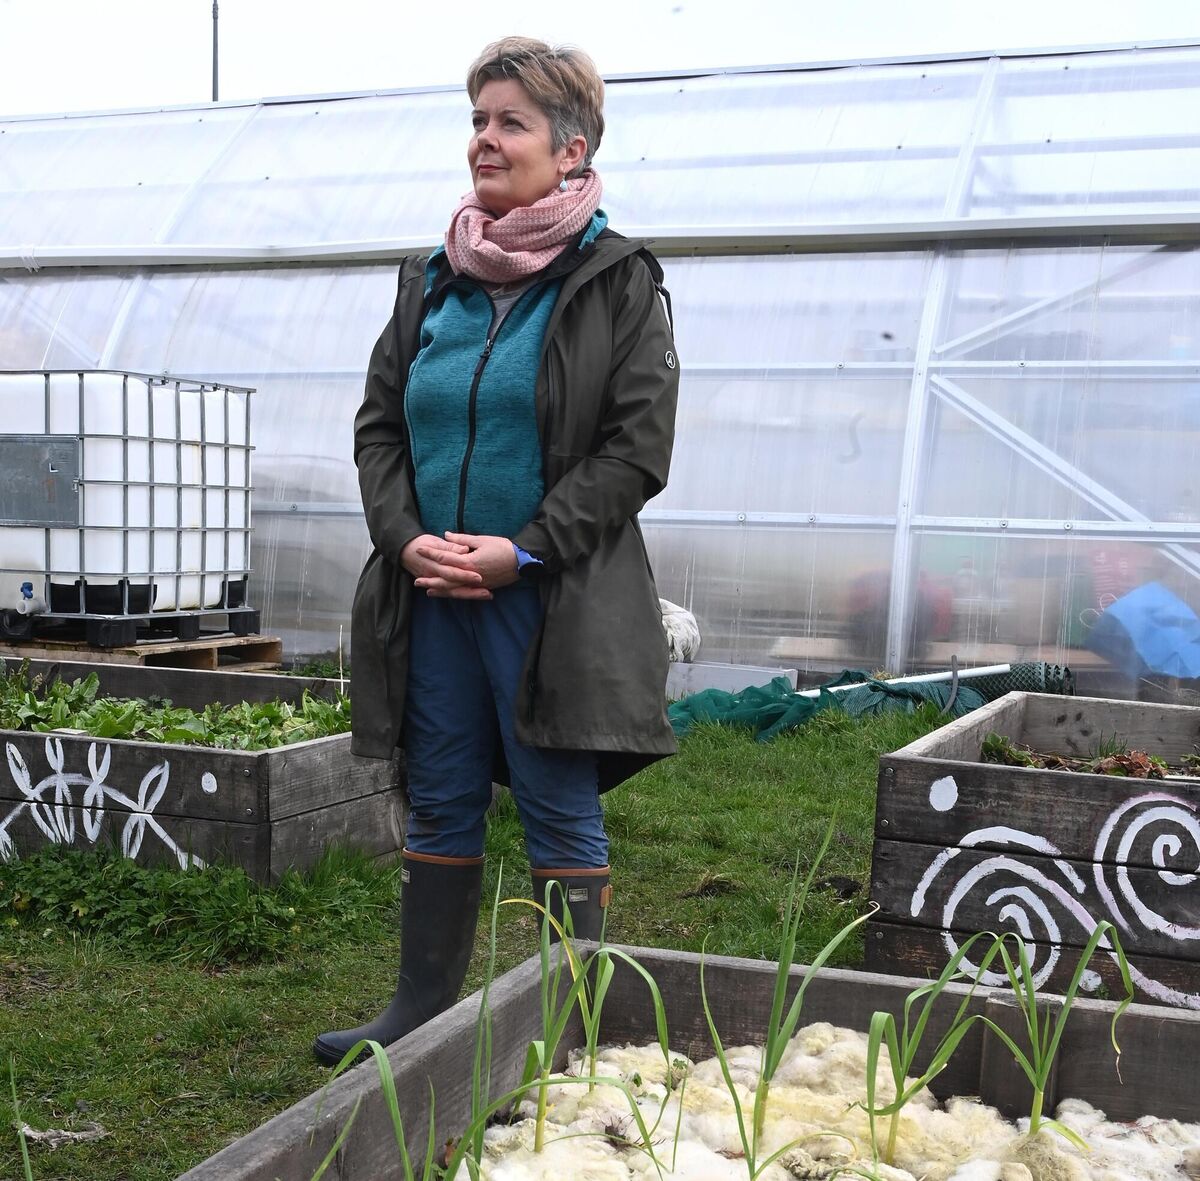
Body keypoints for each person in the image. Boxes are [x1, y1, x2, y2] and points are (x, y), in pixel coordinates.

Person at [314, 37, 680, 1066]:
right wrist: (407, 537)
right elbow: (379, 424)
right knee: (440, 790)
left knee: (558, 804)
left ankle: (572, 1034)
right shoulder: (431, 278)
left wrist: (520, 551)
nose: (484, 139)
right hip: (432, 591)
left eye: (509, 121)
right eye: (477, 119)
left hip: (546, 596)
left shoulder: (616, 281)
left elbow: (635, 452)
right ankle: (420, 1016)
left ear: (570, 150)